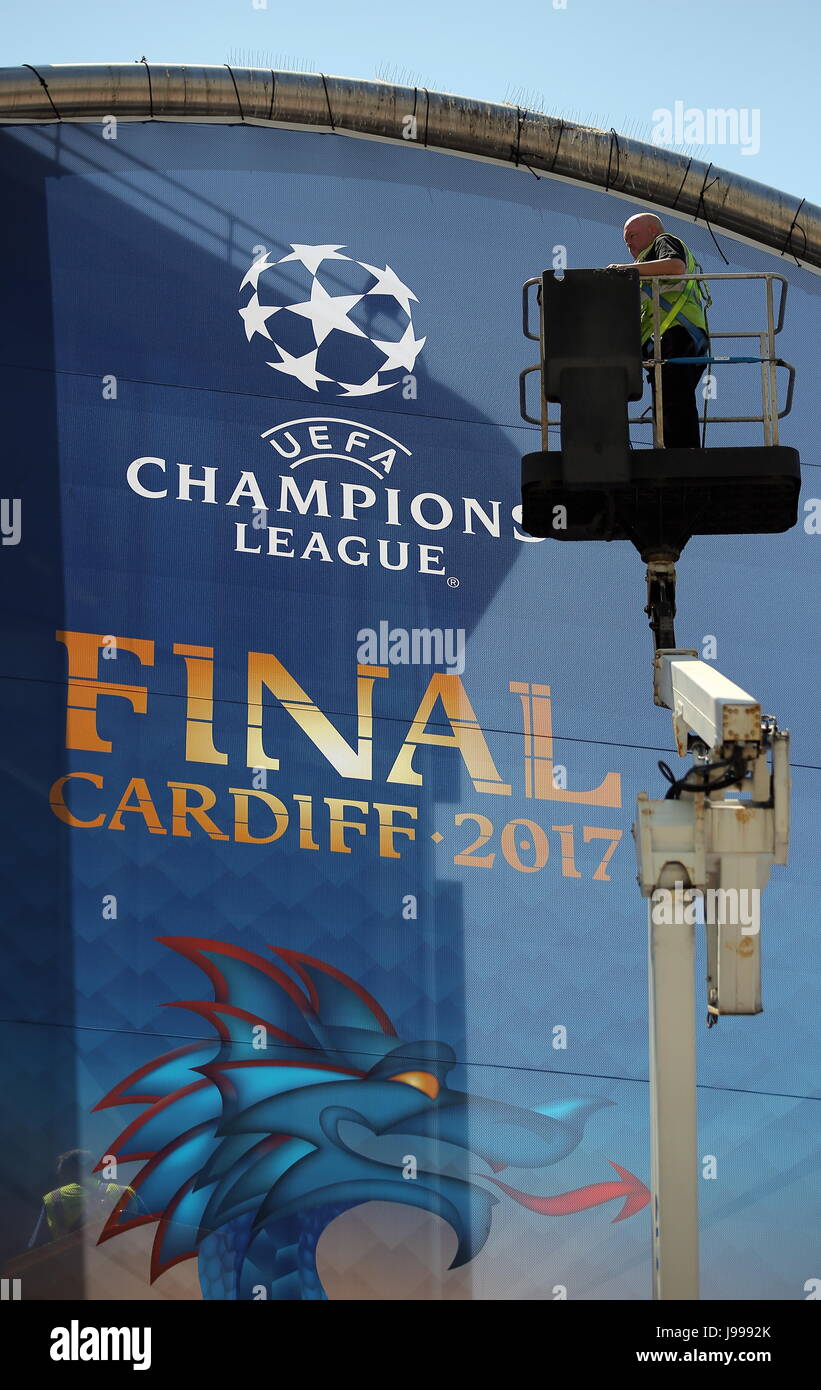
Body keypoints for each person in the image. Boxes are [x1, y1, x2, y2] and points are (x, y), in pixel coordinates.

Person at [609, 212, 711, 448]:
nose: (629, 244)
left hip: (678, 333)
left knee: (674, 395)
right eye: (626, 241)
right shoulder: (644, 266)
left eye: (633, 236)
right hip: (668, 338)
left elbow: (676, 266)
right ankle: (672, 450)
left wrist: (624, 269)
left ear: (653, 230)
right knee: (667, 396)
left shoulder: (663, 242)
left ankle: (683, 455)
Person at [28, 1149, 141, 1247]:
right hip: (126, 1263)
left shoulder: (53, 1200)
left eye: (61, 1174)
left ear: (67, 1173)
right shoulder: (124, 1192)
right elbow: (152, 1230)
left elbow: (36, 1249)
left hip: (73, 1267)